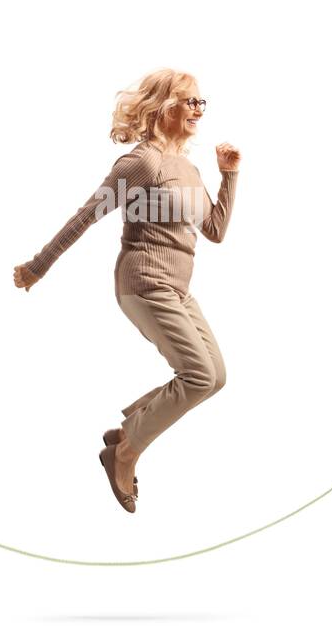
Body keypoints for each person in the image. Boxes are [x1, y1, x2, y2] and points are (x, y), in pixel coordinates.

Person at [14, 69, 241, 512]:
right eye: (188, 101)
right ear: (163, 108)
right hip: (143, 283)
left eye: (201, 102)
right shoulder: (143, 163)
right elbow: (87, 215)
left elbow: (213, 230)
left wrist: (229, 174)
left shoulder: (188, 168)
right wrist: (37, 267)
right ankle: (126, 452)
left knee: (215, 377)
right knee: (196, 376)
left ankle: (127, 431)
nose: (198, 109)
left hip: (178, 289)